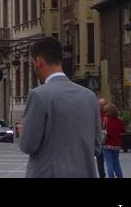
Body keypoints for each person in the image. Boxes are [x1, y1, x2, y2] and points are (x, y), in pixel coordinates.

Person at [15, 37, 102, 177]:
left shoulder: (39, 95)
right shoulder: (89, 97)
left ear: (38, 61)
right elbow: (96, 146)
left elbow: (28, 145)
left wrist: (24, 130)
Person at [101, 104, 126, 179]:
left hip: (107, 143)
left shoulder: (105, 120)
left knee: (109, 163)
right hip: (116, 144)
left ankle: (111, 177)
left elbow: (102, 129)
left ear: (108, 111)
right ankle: (120, 176)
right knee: (116, 162)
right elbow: (123, 130)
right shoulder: (119, 121)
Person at [95, 97, 107, 178]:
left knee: (100, 160)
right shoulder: (108, 115)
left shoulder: (97, 114)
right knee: (102, 160)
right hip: (104, 139)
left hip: (101, 139)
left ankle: (102, 175)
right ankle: (102, 174)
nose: (101, 107)